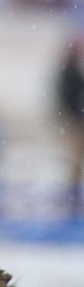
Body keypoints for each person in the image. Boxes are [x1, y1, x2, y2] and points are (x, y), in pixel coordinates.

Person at [54, 37, 84, 216]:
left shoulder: (70, 72)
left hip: (73, 121)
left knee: (75, 162)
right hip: (74, 122)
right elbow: (67, 100)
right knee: (74, 161)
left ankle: (73, 196)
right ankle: (73, 197)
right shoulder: (69, 73)